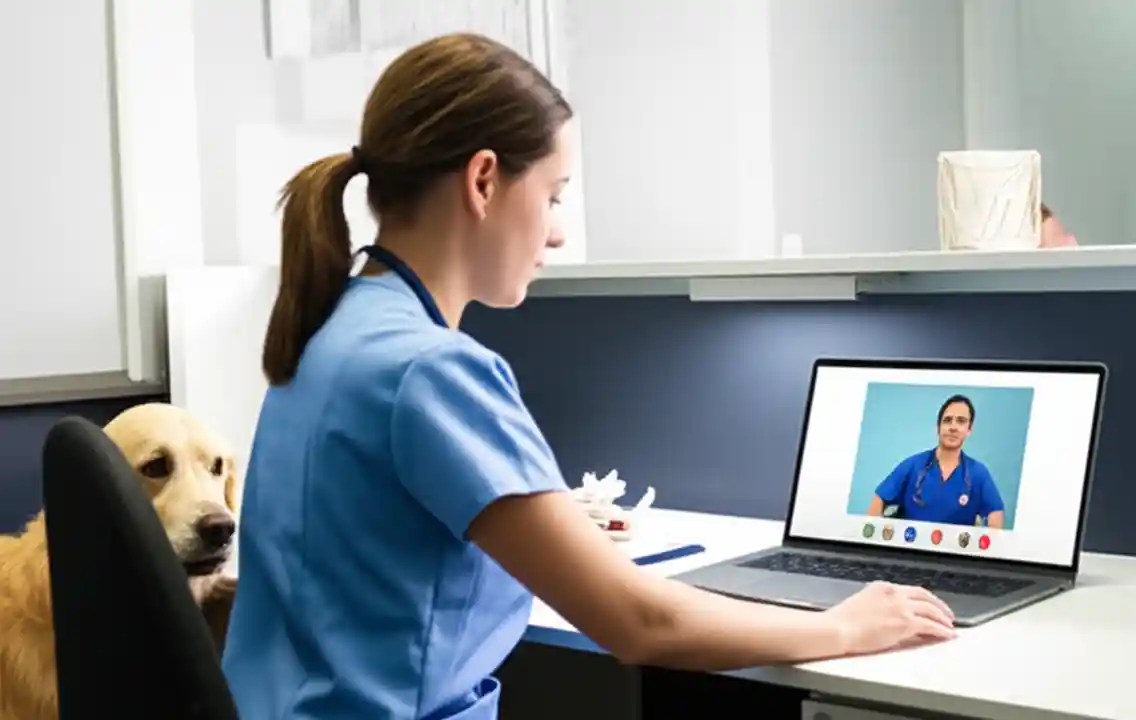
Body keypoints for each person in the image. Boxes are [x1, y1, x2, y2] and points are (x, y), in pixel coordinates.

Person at [219, 32, 956, 719]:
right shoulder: (433, 370)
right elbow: (641, 623)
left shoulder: (330, 330)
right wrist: (845, 626)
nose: (559, 230)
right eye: (553, 195)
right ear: (483, 180)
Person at [865, 395, 1005, 529]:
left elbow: (996, 513)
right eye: (947, 420)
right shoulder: (913, 465)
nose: (953, 427)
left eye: (961, 421)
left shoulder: (978, 473)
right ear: (937, 428)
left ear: (969, 430)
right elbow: (879, 499)